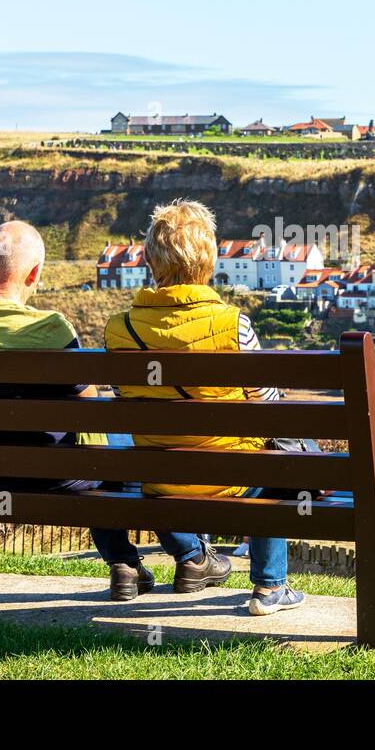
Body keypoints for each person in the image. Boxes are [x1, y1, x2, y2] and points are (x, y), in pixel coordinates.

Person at [0, 220, 217, 601]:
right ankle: (178, 556)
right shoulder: (52, 329)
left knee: (103, 458)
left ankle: (132, 564)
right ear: (36, 272)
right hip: (52, 478)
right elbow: (91, 410)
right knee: (123, 453)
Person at [104, 200, 305, 616]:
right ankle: (270, 587)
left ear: (149, 260)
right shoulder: (235, 325)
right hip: (232, 479)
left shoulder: (119, 330)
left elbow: (124, 402)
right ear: (210, 260)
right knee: (277, 463)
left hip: (158, 477)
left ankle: (192, 557)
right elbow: (268, 406)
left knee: (157, 465)